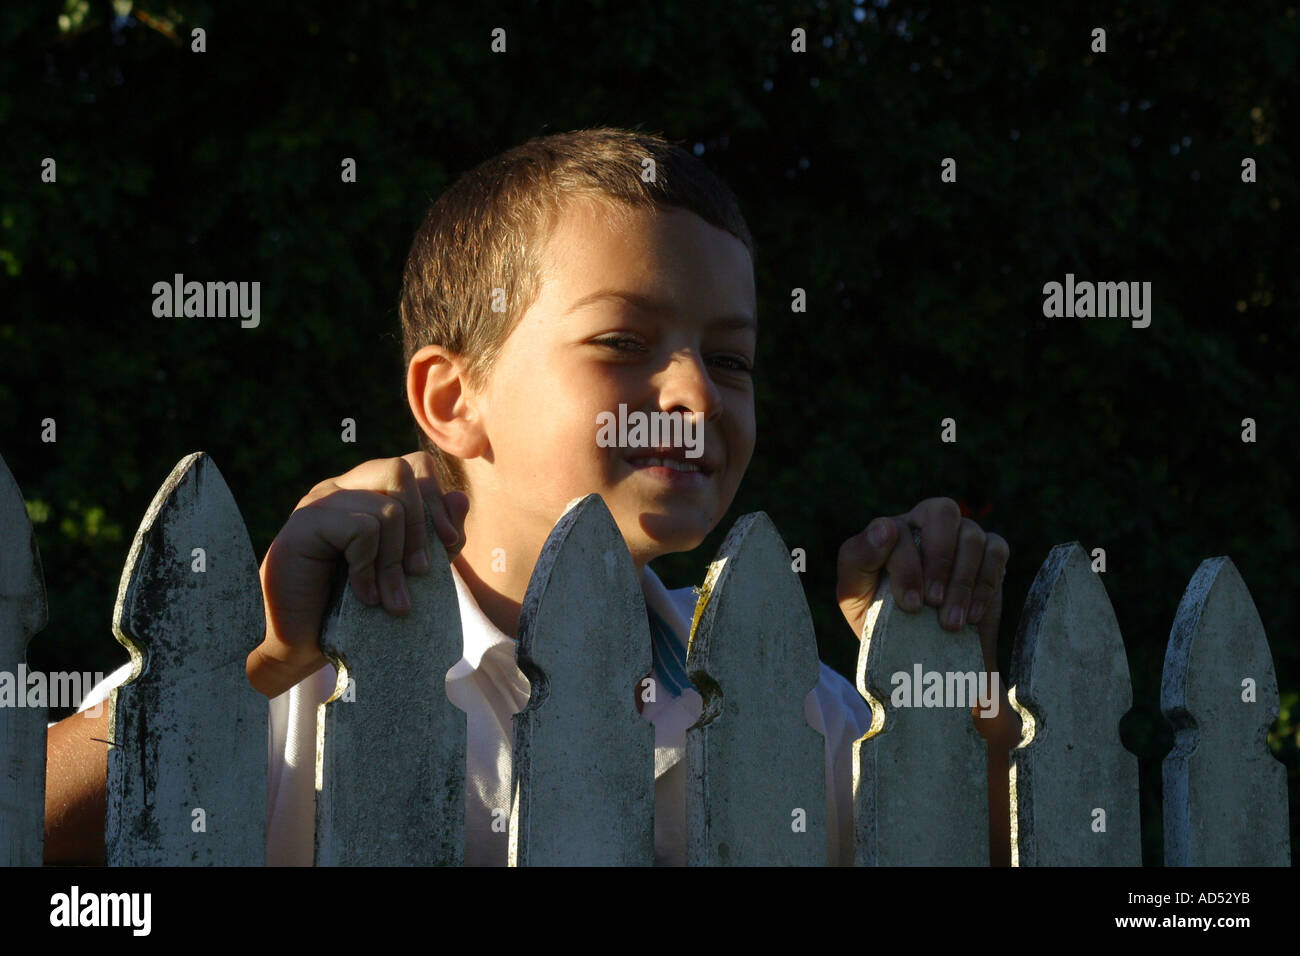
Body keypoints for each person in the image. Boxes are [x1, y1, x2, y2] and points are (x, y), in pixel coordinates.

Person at [44, 126, 1018, 866]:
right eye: (621, 343)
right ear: (451, 398)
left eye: (731, 358)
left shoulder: (791, 702)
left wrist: (942, 688)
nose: (694, 396)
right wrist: (247, 657)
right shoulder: (298, 682)